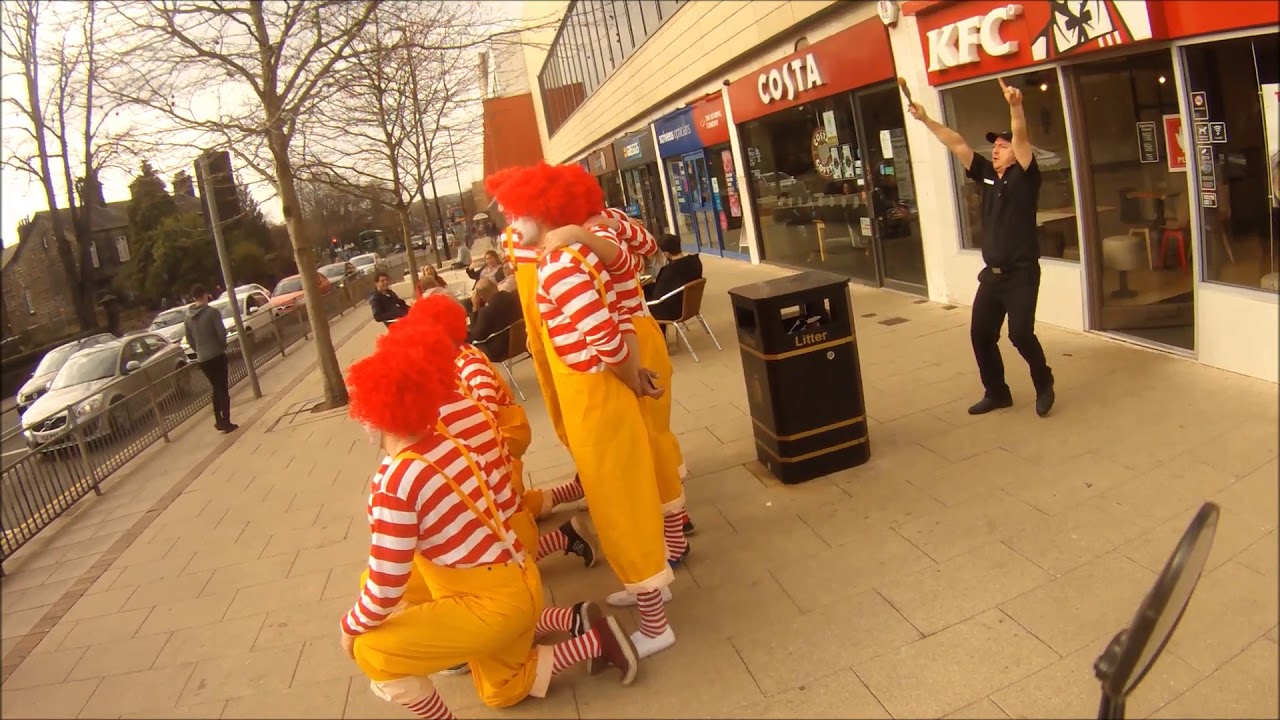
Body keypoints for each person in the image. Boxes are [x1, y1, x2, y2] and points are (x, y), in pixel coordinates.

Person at [341, 308, 639, 719]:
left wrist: (350, 626)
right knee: (496, 685)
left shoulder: (393, 481)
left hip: (484, 601)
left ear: (373, 414)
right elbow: (501, 497)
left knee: (372, 650)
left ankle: (545, 637)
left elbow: (386, 583)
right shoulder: (454, 441)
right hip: (516, 574)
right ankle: (582, 634)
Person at [489, 162, 678, 660]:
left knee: (621, 505)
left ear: (538, 211)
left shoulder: (560, 266)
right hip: (599, 398)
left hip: (597, 400)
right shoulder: (576, 252)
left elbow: (607, 339)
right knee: (623, 498)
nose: (512, 222)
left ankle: (655, 623)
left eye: (517, 211)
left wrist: (628, 372)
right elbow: (621, 264)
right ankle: (648, 591)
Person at [907, 78, 1056, 418]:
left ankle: (1043, 380)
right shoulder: (987, 174)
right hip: (992, 276)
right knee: (981, 334)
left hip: (1022, 274)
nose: (997, 149)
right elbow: (957, 143)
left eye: (1002, 146)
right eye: (995, 146)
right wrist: (926, 120)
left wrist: (1015, 106)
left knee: (1020, 334)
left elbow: (1020, 136)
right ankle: (997, 392)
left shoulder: (1025, 177)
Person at [183, 284, 236, 433]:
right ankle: (226, 421)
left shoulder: (188, 318)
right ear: (205, 295)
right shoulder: (212, 313)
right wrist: (221, 347)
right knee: (223, 388)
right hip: (216, 355)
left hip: (202, 358)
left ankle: (218, 419)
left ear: (194, 297)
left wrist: (198, 350)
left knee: (215, 387)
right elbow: (221, 333)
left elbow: (189, 338)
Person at [644, 233, 703, 323]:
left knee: (643, 306)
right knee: (648, 288)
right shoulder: (695, 262)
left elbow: (658, 297)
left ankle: (661, 336)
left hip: (673, 311)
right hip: (689, 305)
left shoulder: (669, 271)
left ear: (667, 253)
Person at [468, 278, 523, 361]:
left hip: (500, 351)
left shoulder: (487, 311)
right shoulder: (515, 296)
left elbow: (476, 336)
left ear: (481, 297)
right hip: (521, 342)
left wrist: (475, 307)